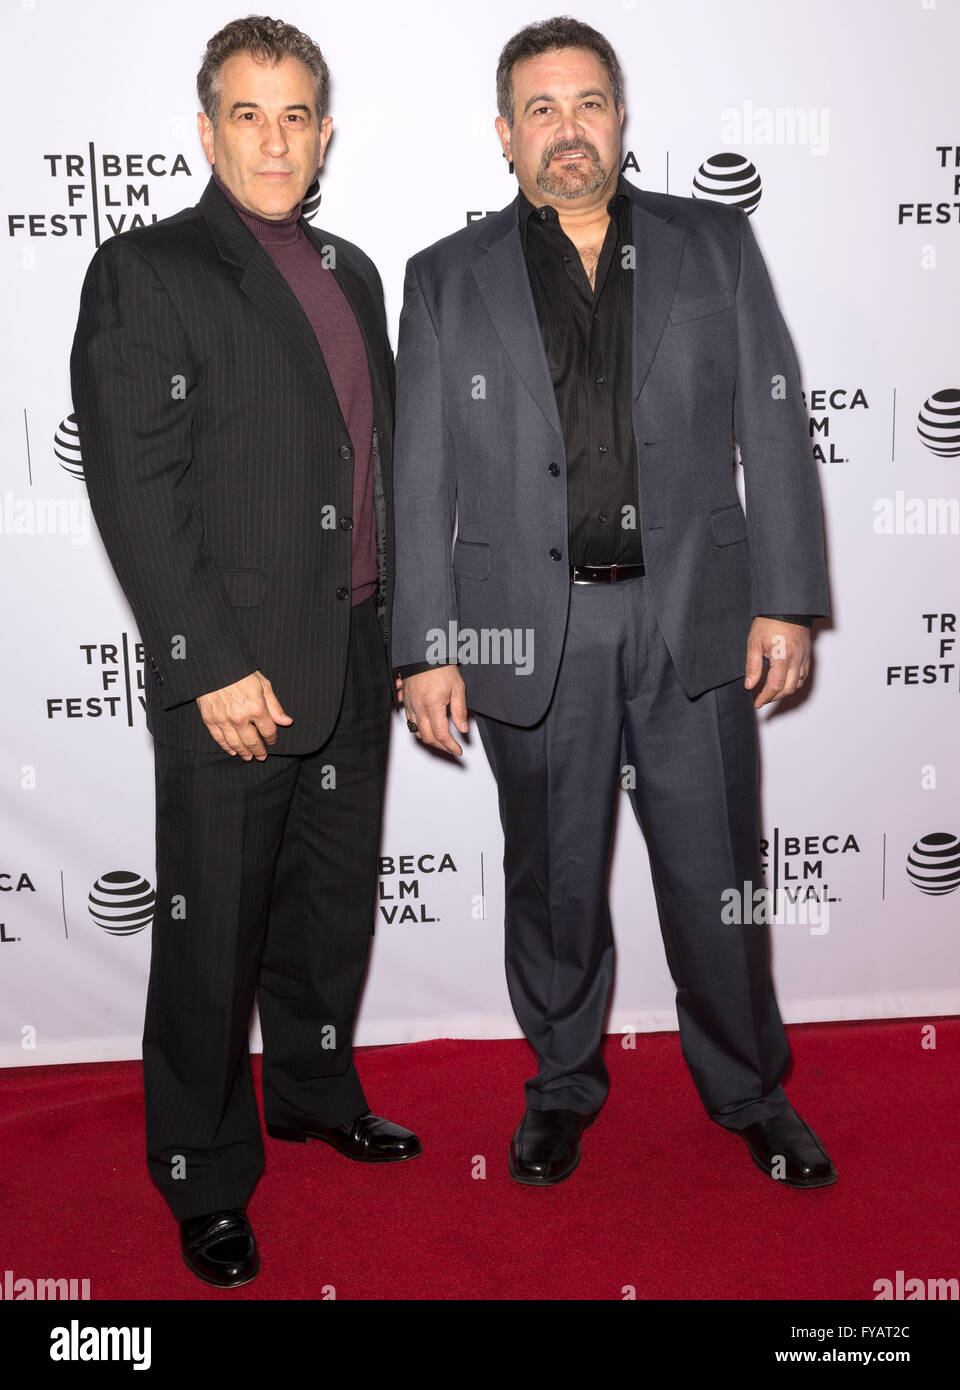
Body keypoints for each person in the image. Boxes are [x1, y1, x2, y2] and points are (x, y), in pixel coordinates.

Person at [392, 16, 835, 1190]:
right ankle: (560, 1087)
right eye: (540, 110)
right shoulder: (443, 278)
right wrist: (425, 645)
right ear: (504, 135)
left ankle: (748, 1088)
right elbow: (418, 476)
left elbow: (776, 426)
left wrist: (785, 599)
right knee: (552, 884)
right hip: (530, 628)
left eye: (587, 103)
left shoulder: (713, 244)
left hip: (694, 621)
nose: (566, 129)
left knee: (715, 875)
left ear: (622, 118)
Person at [70, 14, 419, 1288]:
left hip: (353, 645)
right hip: (237, 676)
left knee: (326, 912)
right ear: (206, 128)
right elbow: (135, 485)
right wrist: (206, 662)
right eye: (247, 114)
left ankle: (315, 1093)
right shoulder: (147, 269)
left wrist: (401, 631)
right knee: (211, 935)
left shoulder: (355, 268)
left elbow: (375, 465)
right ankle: (203, 1177)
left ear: (325, 134)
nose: (274, 140)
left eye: (295, 116)